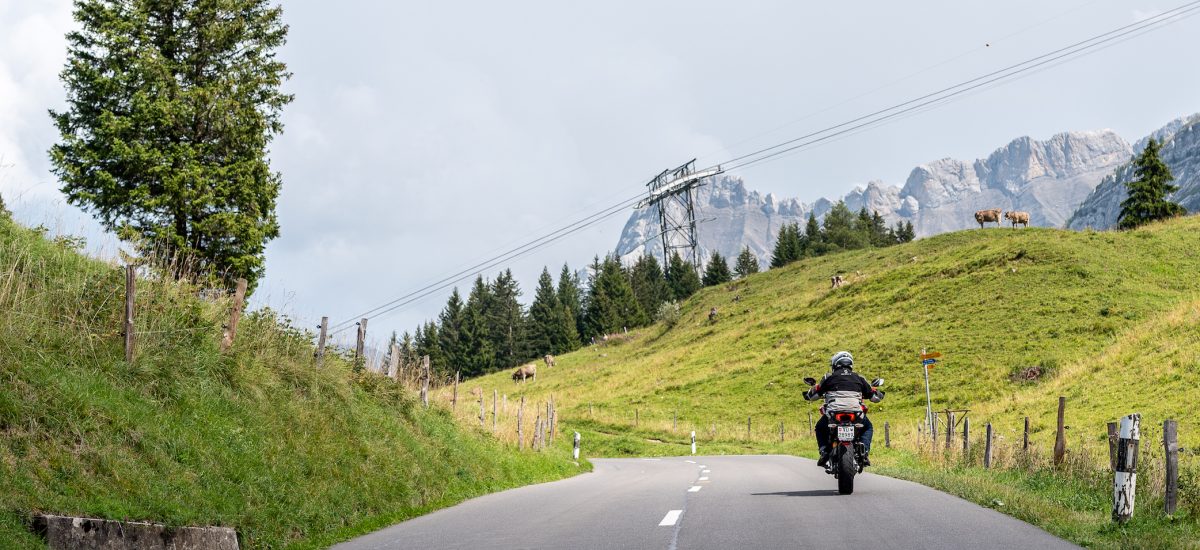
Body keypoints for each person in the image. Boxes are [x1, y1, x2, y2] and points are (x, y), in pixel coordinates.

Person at [804, 351, 884, 467]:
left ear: (835, 364)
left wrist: (810, 392)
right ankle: (865, 450)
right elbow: (874, 398)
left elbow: (814, 395)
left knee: (820, 428)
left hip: (834, 412)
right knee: (868, 427)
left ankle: (824, 451)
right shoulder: (859, 378)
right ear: (850, 364)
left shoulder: (828, 377)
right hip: (856, 412)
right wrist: (878, 393)